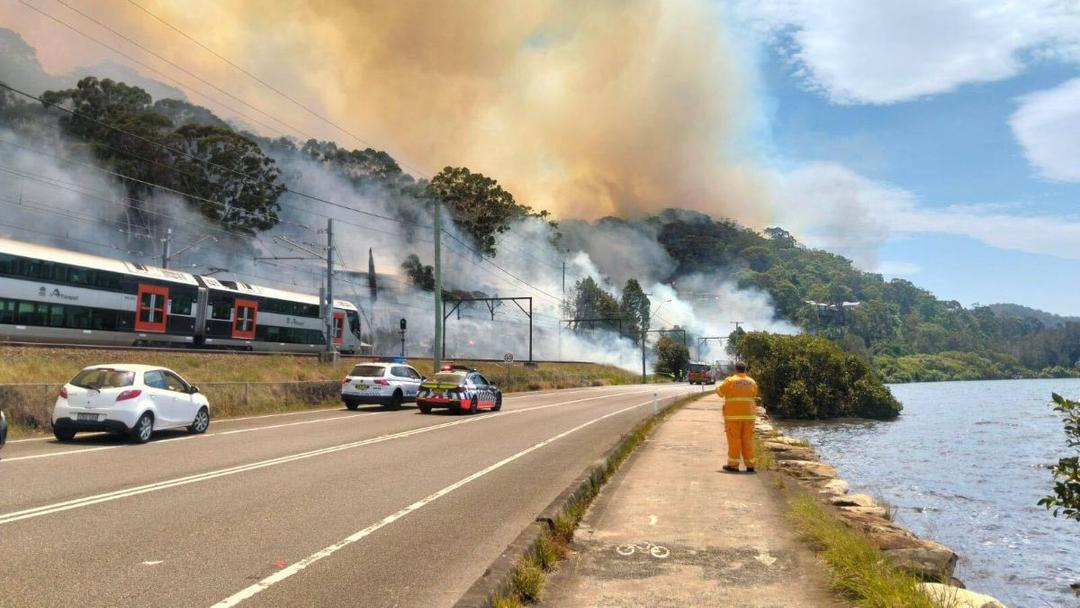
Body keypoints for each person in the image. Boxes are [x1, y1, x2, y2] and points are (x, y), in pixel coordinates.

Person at [717, 361, 758, 473]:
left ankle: (733, 465)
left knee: (735, 441)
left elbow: (720, 392)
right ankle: (750, 465)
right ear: (745, 370)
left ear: (736, 369)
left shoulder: (730, 381)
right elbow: (754, 395)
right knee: (747, 440)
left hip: (733, 417)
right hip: (749, 417)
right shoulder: (752, 382)